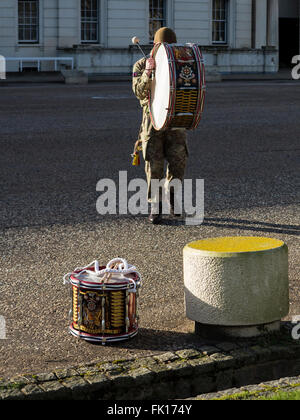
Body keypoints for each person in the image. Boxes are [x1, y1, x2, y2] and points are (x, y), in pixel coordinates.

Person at [132, 27, 188, 224]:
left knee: (178, 163)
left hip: (175, 121)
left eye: (171, 46)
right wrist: (148, 71)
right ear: (156, 46)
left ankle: (173, 201)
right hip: (152, 121)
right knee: (153, 166)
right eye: (164, 46)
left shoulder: (181, 63)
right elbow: (139, 92)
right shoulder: (140, 64)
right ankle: (155, 206)